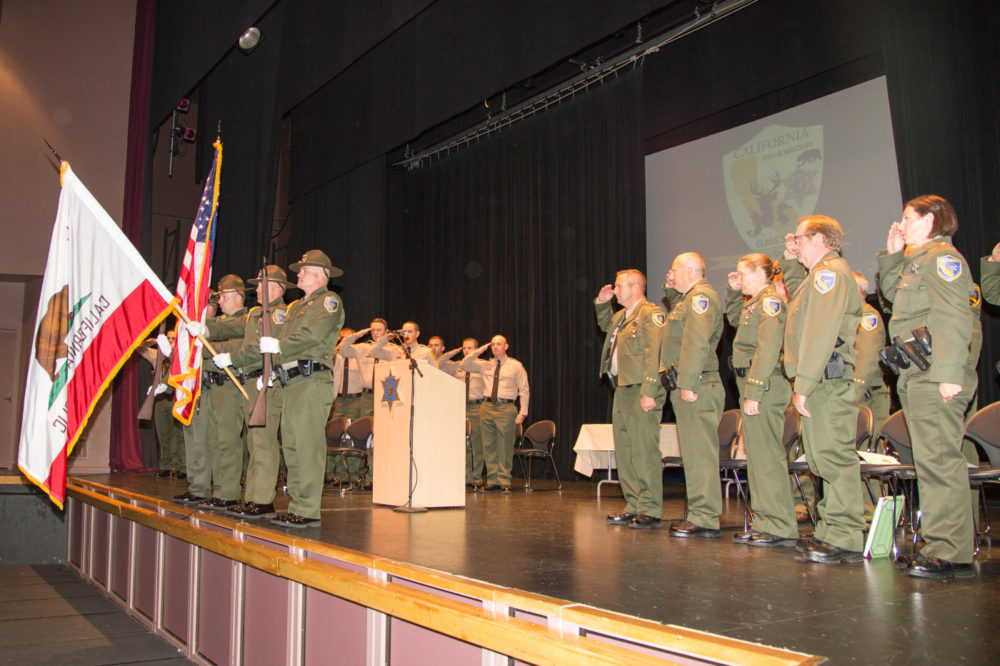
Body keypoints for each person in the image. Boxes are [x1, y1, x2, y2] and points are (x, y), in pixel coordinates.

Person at [877, 195, 978, 578]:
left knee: (939, 461)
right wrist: (891, 257)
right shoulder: (916, 262)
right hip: (917, 372)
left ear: (931, 220)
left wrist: (950, 372)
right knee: (929, 462)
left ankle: (950, 551)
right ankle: (940, 543)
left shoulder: (943, 259)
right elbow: (895, 303)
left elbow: (954, 316)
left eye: (907, 218)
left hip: (938, 373)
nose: (900, 224)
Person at [783, 215, 865, 564]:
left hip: (826, 382)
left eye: (799, 239)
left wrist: (803, 384)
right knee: (820, 458)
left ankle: (845, 536)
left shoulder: (829, 274)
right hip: (822, 382)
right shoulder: (817, 275)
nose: (794, 243)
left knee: (834, 459)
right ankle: (830, 530)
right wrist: (790, 258)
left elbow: (819, 333)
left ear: (819, 238)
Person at [261, 250, 344, 527]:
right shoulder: (296, 307)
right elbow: (284, 336)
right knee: (293, 446)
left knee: (307, 445)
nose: (298, 274)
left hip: (312, 380)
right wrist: (271, 368)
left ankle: (307, 509)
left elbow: (311, 335)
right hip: (292, 380)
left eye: (304, 270)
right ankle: (298, 505)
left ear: (320, 275)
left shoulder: (329, 302)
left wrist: (279, 347)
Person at [725, 254, 797, 546]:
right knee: (757, 458)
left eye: (742, 274)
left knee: (767, 458)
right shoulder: (752, 304)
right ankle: (766, 522)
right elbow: (734, 321)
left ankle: (780, 526)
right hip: (754, 383)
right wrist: (732, 292)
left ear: (760, 273)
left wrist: (754, 389)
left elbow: (769, 348)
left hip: (764, 385)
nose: (738, 278)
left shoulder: (770, 301)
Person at [212, 265, 292, 518]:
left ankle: (263, 499)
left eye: (261, 285)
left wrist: (232, 358)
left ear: (276, 288)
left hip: (266, 381)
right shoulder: (256, 314)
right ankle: (253, 497)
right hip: (251, 381)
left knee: (264, 442)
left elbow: (269, 349)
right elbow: (239, 338)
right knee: (254, 442)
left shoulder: (280, 314)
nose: (256, 290)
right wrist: (207, 331)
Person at [595, 270, 667, 529]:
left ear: (635, 287)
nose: (615, 290)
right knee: (625, 450)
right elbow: (606, 327)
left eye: (618, 286)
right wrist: (602, 304)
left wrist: (650, 389)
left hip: (641, 388)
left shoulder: (650, 313)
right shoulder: (620, 316)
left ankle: (649, 507)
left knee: (643, 449)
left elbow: (654, 353)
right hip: (623, 387)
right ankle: (634, 503)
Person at [660, 253, 724, 537]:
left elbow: (697, 342)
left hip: (696, 384)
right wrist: (671, 288)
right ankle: (699, 513)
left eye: (675, 270)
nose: (670, 274)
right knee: (694, 454)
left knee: (700, 454)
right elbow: (679, 328)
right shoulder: (688, 299)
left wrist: (686, 382)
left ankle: (705, 517)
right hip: (690, 383)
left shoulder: (701, 298)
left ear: (688, 270)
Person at [198, 274, 250, 510]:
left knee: (228, 440)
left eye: (225, 296)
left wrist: (210, 347)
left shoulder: (247, 320)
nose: (220, 301)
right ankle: (219, 488)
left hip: (232, 385)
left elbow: (238, 347)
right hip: (214, 384)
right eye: (219, 297)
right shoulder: (219, 322)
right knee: (216, 441)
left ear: (239, 297)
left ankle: (228, 491)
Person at [461, 335, 529, 493]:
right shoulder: (485, 365)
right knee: (489, 445)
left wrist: (523, 412)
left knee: (504, 445)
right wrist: (480, 350)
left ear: (506, 346)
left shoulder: (515, 366)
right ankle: (492, 479)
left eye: (499, 344)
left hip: (506, 407)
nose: (496, 347)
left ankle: (504, 479)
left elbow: (524, 390)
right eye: (493, 345)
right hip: (486, 407)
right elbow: (465, 363)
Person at [438, 338, 487, 490]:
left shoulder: (483, 366)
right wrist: (455, 351)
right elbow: (439, 364)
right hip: (460, 408)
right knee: (461, 445)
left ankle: (476, 477)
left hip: (476, 407)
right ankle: (465, 476)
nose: (467, 351)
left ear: (476, 350)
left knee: (477, 444)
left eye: (470, 348)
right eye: (464, 348)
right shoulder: (457, 366)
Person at [137, 328, 185, 478]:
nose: (170, 342)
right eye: (168, 339)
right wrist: (151, 341)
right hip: (160, 397)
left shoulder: (181, 355)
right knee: (162, 432)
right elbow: (138, 348)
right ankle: (165, 465)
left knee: (177, 434)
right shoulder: (157, 355)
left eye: (173, 339)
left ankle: (179, 466)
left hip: (176, 395)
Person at [851, 272, 890, 436]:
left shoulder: (867, 317)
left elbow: (865, 362)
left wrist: (850, 397)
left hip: (867, 399)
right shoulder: (849, 318)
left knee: (869, 456)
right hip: (857, 397)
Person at [330, 326, 369, 486]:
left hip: (355, 400)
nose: (344, 340)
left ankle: (351, 474)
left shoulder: (359, 356)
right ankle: (334, 474)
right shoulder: (334, 356)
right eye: (342, 337)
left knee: (352, 438)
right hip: (337, 401)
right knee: (334, 436)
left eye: (349, 337)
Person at [370, 320, 435, 363]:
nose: (406, 334)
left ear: (417, 334)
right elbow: (373, 352)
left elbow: (436, 373)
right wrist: (386, 338)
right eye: (404, 332)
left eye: (409, 332)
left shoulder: (426, 352)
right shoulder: (395, 351)